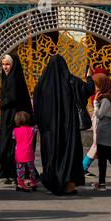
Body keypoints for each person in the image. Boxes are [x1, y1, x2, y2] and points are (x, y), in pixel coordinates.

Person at [32, 55, 86, 195]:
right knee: (69, 155)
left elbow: (36, 110)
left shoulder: (41, 85)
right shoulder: (71, 81)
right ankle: (69, 186)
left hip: (49, 131)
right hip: (68, 129)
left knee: (51, 156)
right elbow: (86, 91)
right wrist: (90, 77)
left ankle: (53, 183)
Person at [0, 53, 32, 184]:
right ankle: (11, 172)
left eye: (7, 64)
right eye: (3, 64)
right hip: (9, 118)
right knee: (9, 145)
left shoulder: (14, 79)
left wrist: (1, 103)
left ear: (13, 65)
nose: (5, 67)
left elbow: (12, 98)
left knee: (12, 146)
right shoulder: (8, 77)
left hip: (13, 120)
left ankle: (17, 174)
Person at [11, 111, 38, 191]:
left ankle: (20, 183)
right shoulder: (32, 130)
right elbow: (37, 127)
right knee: (31, 169)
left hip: (19, 154)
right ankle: (32, 181)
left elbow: (13, 138)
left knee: (20, 170)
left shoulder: (15, 130)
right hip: (29, 154)